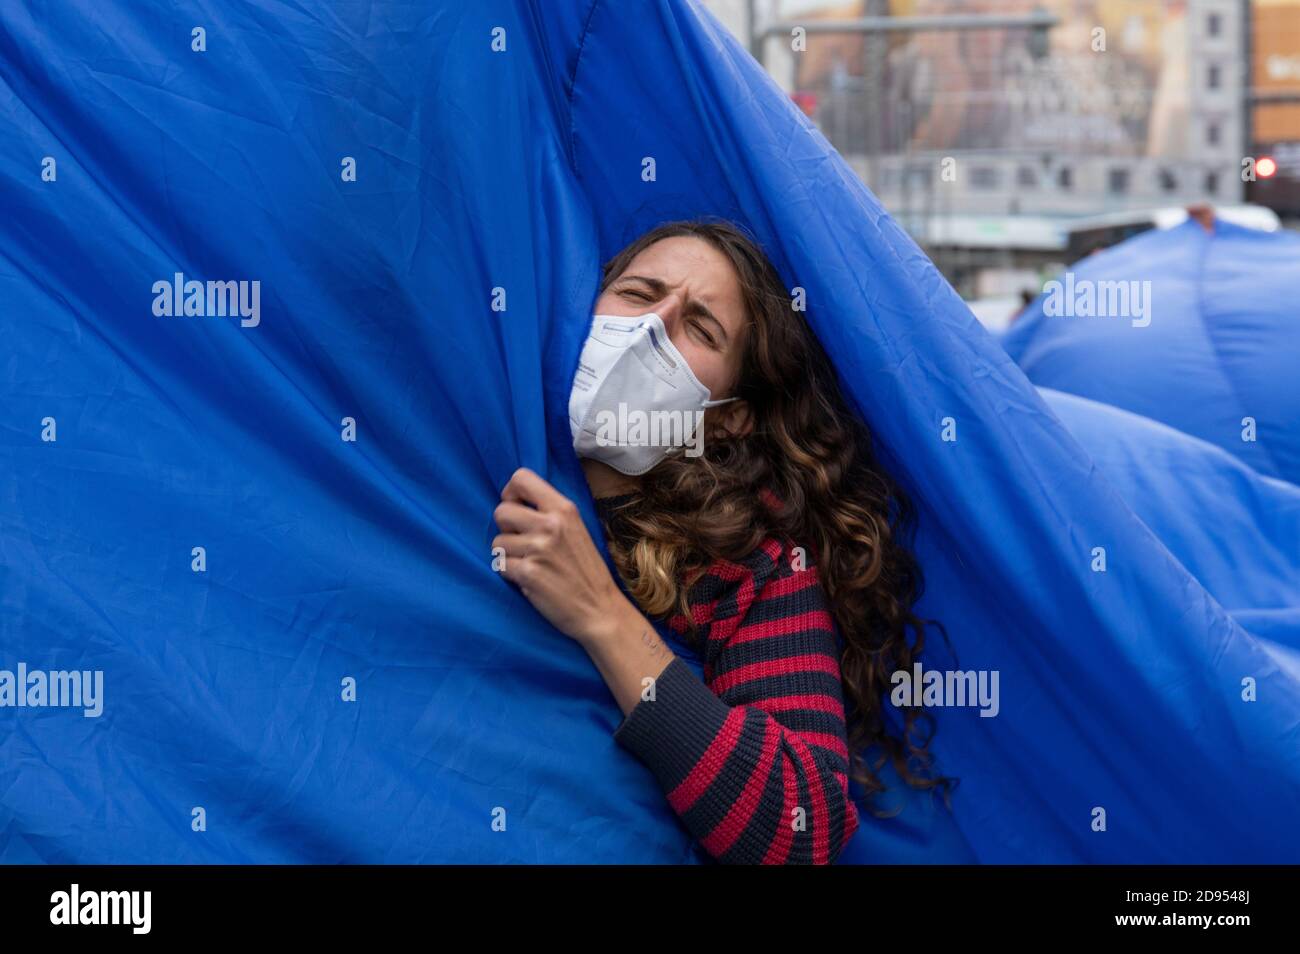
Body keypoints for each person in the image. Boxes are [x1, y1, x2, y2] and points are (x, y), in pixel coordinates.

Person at [492, 219, 951, 864]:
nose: (654, 326)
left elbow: (801, 826)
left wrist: (601, 614)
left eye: (701, 329)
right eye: (637, 293)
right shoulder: (477, 436)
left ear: (728, 415)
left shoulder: (750, 569)